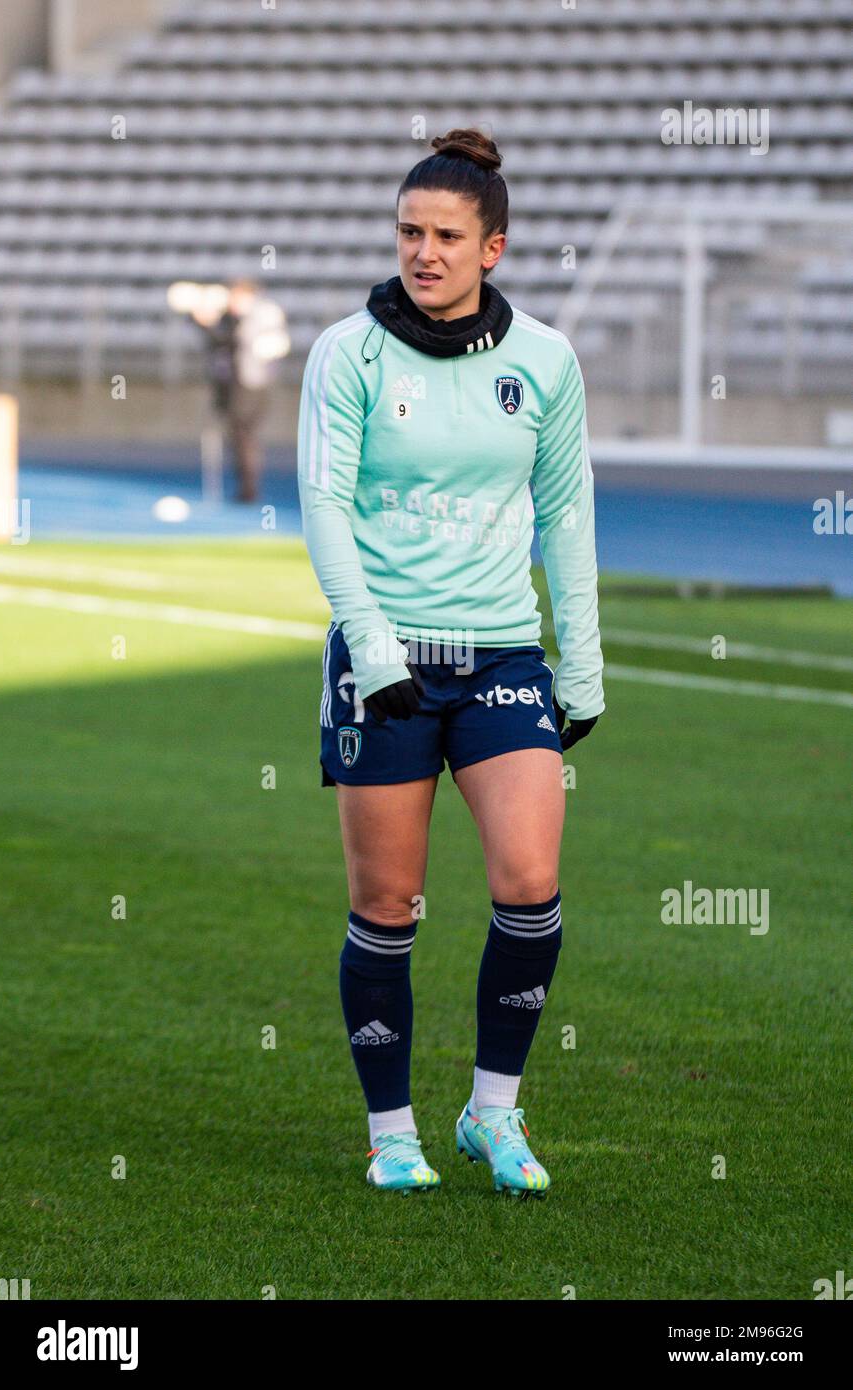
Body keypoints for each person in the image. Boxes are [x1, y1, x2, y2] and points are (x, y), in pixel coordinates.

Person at [297, 128, 604, 1197]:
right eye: (407, 232)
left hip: (499, 654)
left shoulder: (544, 362)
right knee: (388, 905)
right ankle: (391, 1132)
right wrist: (372, 642)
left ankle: (491, 1112)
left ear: (494, 248)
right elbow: (325, 503)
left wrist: (585, 666)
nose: (421, 252)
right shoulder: (350, 351)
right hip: (380, 660)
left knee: (528, 884)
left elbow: (564, 512)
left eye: (444, 236)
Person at [195, 279, 286, 503]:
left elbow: (244, 342)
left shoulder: (261, 315)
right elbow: (218, 342)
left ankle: (248, 488)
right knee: (240, 436)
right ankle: (246, 486)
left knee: (243, 435)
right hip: (236, 384)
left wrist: (208, 323)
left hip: (250, 385)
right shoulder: (231, 317)